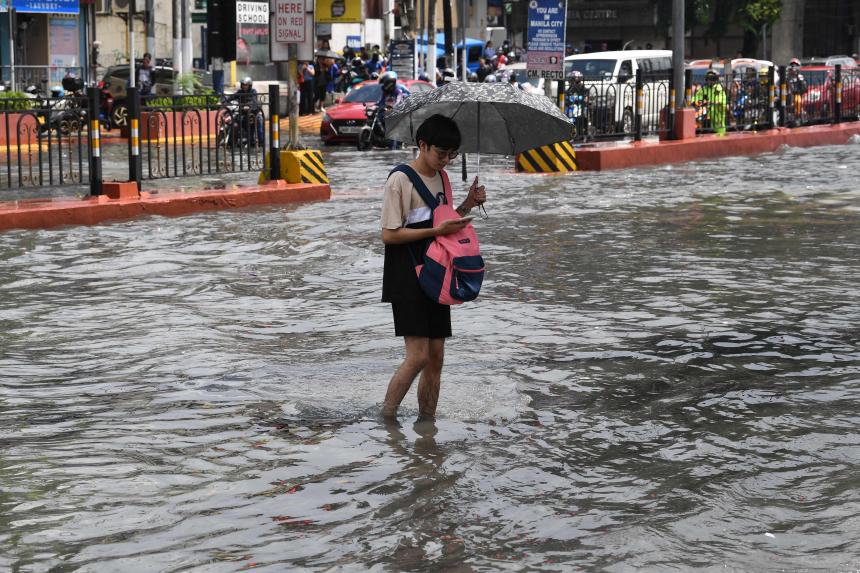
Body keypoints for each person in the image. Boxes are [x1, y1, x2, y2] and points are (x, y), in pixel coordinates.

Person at [380, 114, 487, 420]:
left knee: (436, 357)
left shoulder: (442, 178)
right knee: (417, 357)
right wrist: (435, 233)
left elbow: (443, 220)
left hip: (436, 272)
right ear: (422, 145)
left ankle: (427, 426)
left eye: (452, 155)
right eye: (441, 153)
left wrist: (466, 205)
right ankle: (386, 420)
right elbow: (389, 234)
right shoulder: (399, 180)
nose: (446, 161)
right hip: (405, 273)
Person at [226, 76, 264, 145]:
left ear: (249, 85)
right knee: (235, 123)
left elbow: (253, 100)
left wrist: (248, 106)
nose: (244, 86)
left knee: (259, 122)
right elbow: (231, 97)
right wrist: (223, 101)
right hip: (243, 114)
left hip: (253, 113)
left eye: (246, 85)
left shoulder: (253, 91)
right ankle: (231, 143)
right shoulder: (240, 92)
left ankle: (261, 143)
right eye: (243, 85)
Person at [693, 69, 727, 135]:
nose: (709, 81)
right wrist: (696, 102)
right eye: (708, 79)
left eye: (712, 79)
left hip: (717, 123)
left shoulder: (719, 88)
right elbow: (696, 98)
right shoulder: (704, 89)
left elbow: (719, 101)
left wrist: (708, 102)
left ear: (715, 79)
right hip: (706, 118)